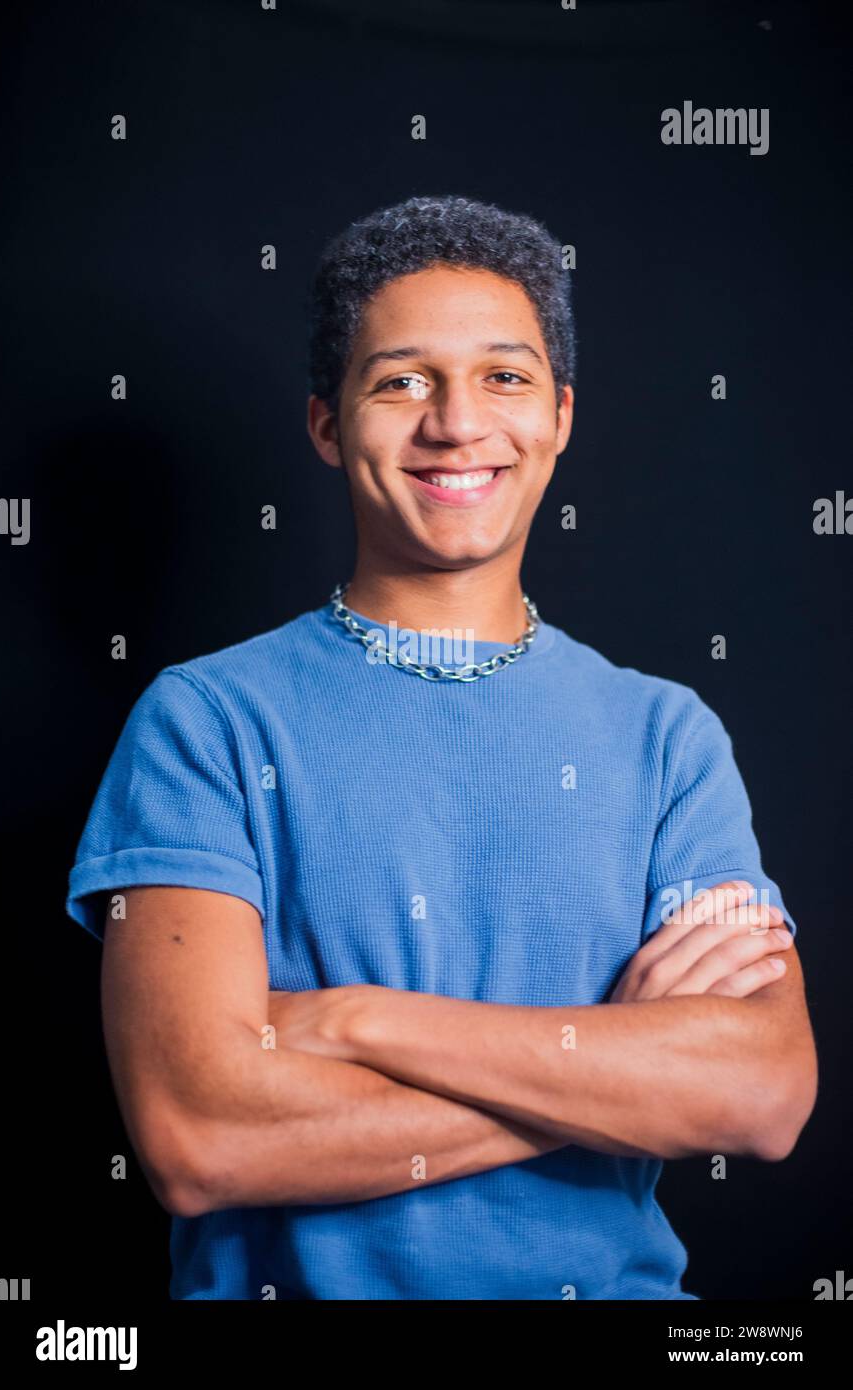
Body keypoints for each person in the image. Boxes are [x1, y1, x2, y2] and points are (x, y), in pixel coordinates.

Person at [66, 195, 817, 1301]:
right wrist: (614, 1062)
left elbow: (761, 1094)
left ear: (559, 416)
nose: (457, 423)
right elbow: (200, 1134)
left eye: (504, 378)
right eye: (402, 379)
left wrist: (348, 1020)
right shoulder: (206, 722)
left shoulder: (668, 739)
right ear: (327, 424)